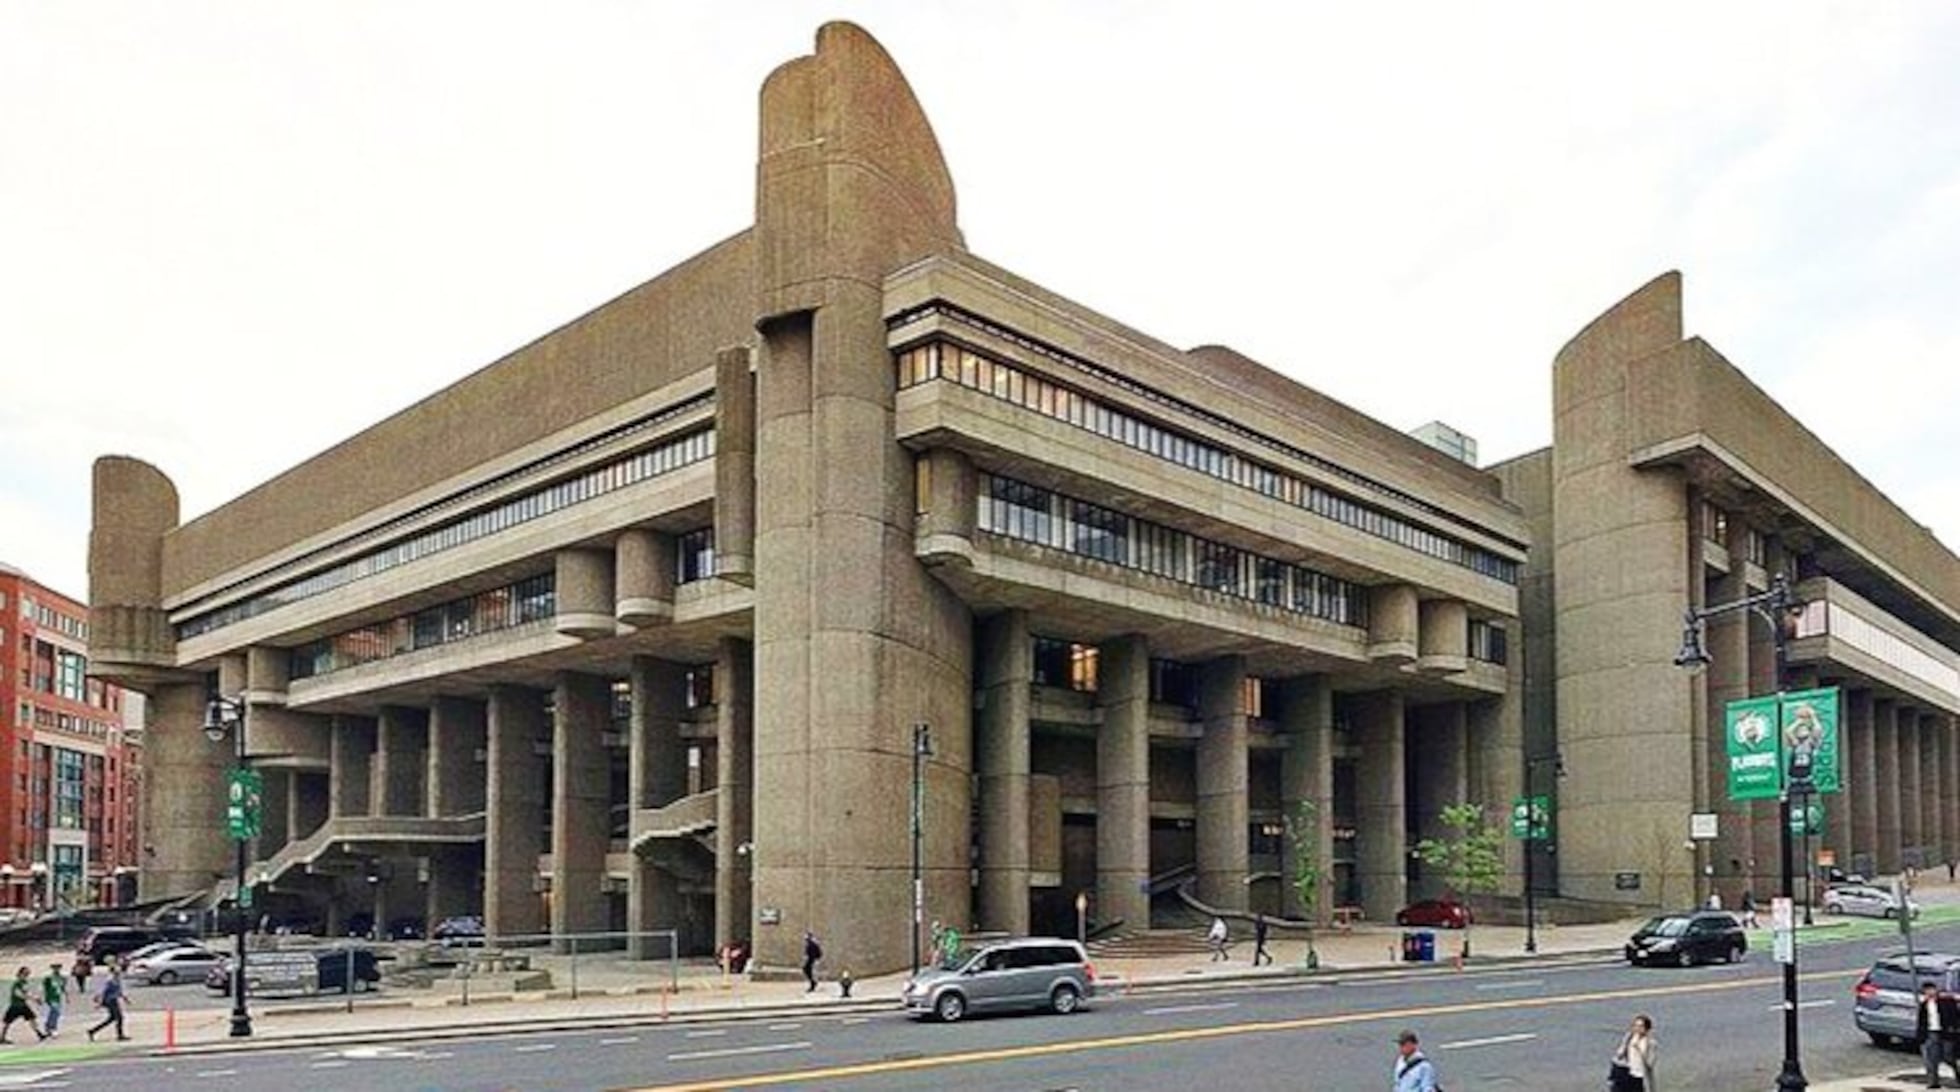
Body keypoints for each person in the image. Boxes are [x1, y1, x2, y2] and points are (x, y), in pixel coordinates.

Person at [1917, 981, 1960, 1088]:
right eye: (1927, 990)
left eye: (1931, 989)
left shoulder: (1947, 1001)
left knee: (1948, 1056)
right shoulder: (1924, 1004)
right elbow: (1921, 1021)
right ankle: (1933, 1082)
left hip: (1946, 1033)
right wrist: (1921, 1036)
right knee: (1932, 1058)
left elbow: (1956, 1015)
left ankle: (1957, 1073)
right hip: (1931, 1032)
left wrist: (1954, 1028)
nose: (1930, 992)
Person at [1610, 1013, 1657, 1091]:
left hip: (1640, 1077)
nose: (1637, 1028)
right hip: (1626, 1074)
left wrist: (1639, 1049)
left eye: (1641, 1026)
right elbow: (1619, 1054)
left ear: (1647, 1028)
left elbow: (1650, 1064)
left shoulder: (1651, 1043)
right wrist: (1623, 1049)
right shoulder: (1629, 1037)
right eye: (1635, 1025)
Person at [0, 966, 45, 1043]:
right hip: (15, 1005)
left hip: (22, 1005)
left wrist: (34, 998)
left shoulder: (24, 983)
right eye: (25, 974)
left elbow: (26, 992)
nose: (26, 976)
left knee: (32, 1018)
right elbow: (19, 994)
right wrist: (34, 999)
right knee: (7, 1022)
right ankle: (2, 1038)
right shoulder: (17, 983)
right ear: (20, 974)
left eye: (27, 974)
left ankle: (39, 1034)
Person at [86, 968, 127, 1042]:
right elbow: (103, 992)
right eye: (117, 973)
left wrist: (125, 998)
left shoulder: (117, 981)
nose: (119, 974)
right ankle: (120, 1035)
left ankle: (92, 1031)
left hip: (114, 1000)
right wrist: (99, 1002)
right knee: (119, 1018)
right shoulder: (110, 981)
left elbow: (119, 991)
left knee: (112, 1019)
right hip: (110, 1001)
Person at [39, 964, 66, 1038]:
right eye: (55, 968)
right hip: (50, 997)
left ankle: (48, 1025)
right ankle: (53, 1028)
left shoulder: (62, 978)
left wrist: (66, 996)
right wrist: (41, 996)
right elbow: (43, 987)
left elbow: (63, 988)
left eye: (58, 968)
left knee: (54, 1012)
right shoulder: (48, 978)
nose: (56, 969)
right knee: (56, 1011)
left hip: (57, 997)